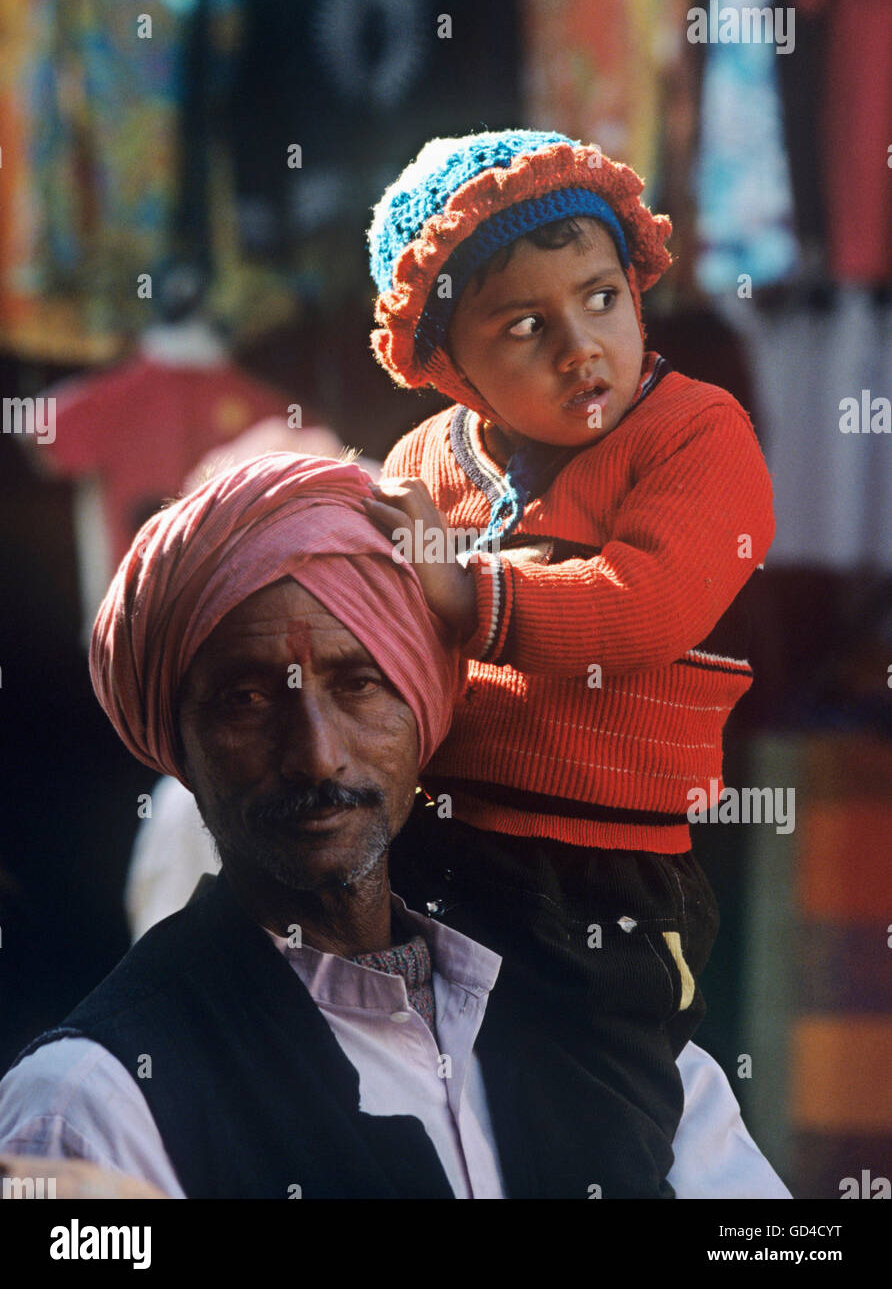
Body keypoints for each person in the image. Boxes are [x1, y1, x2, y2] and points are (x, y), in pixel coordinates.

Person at [0, 453, 787, 1198]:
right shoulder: (90, 1105)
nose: (318, 756)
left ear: (425, 705)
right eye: (247, 699)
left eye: (359, 684)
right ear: (176, 742)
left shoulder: (598, 1015)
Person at [363, 130, 776, 1197]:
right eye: (525, 327)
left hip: (599, 879)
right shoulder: (421, 466)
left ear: (638, 287)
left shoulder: (696, 436)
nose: (581, 348)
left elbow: (642, 605)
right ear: (450, 366)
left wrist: (466, 592)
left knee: (583, 1135)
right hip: (431, 845)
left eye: (601, 299)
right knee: (408, 1101)